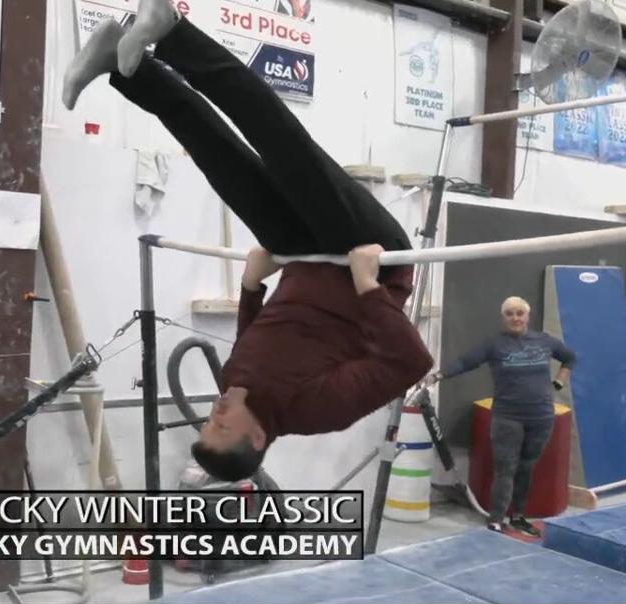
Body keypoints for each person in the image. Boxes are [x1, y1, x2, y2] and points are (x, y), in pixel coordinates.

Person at [63, 1, 434, 483]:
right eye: (222, 425)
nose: (213, 413)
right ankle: (174, 32)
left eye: (207, 424)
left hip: (300, 255)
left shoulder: (231, 383)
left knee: (215, 155)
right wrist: (369, 289)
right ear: (257, 438)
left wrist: (252, 288)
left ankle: (127, 65)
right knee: (280, 140)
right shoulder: (316, 410)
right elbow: (409, 363)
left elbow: (253, 337)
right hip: (363, 256)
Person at [425, 296, 576, 535]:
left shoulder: (544, 340)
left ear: (527, 315)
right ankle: (496, 520)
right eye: (510, 314)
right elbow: (467, 362)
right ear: (503, 318)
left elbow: (570, 357)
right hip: (508, 418)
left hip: (541, 417)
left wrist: (558, 383)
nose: (515, 318)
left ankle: (518, 516)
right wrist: (438, 376)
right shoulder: (494, 344)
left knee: (527, 468)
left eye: (519, 313)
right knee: (506, 469)